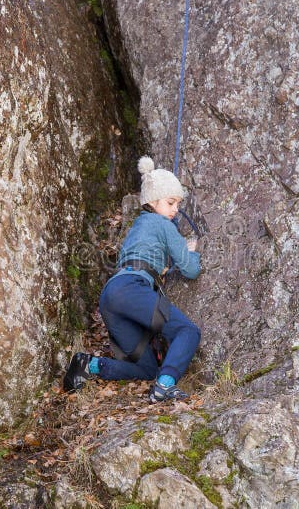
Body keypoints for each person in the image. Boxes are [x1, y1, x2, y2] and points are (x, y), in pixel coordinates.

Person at [63, 156, 201, 403]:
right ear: (152, 201)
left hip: (111, 296)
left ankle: (88, 365)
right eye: (171, 202)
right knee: (187, 331)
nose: (175, 209)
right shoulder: (162, 224)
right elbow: (190, 270)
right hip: (130, 290)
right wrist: (193, 253)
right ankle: (165, 387)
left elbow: (144, 261)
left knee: (146, 369)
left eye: (178, 203)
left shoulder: (138, 226)